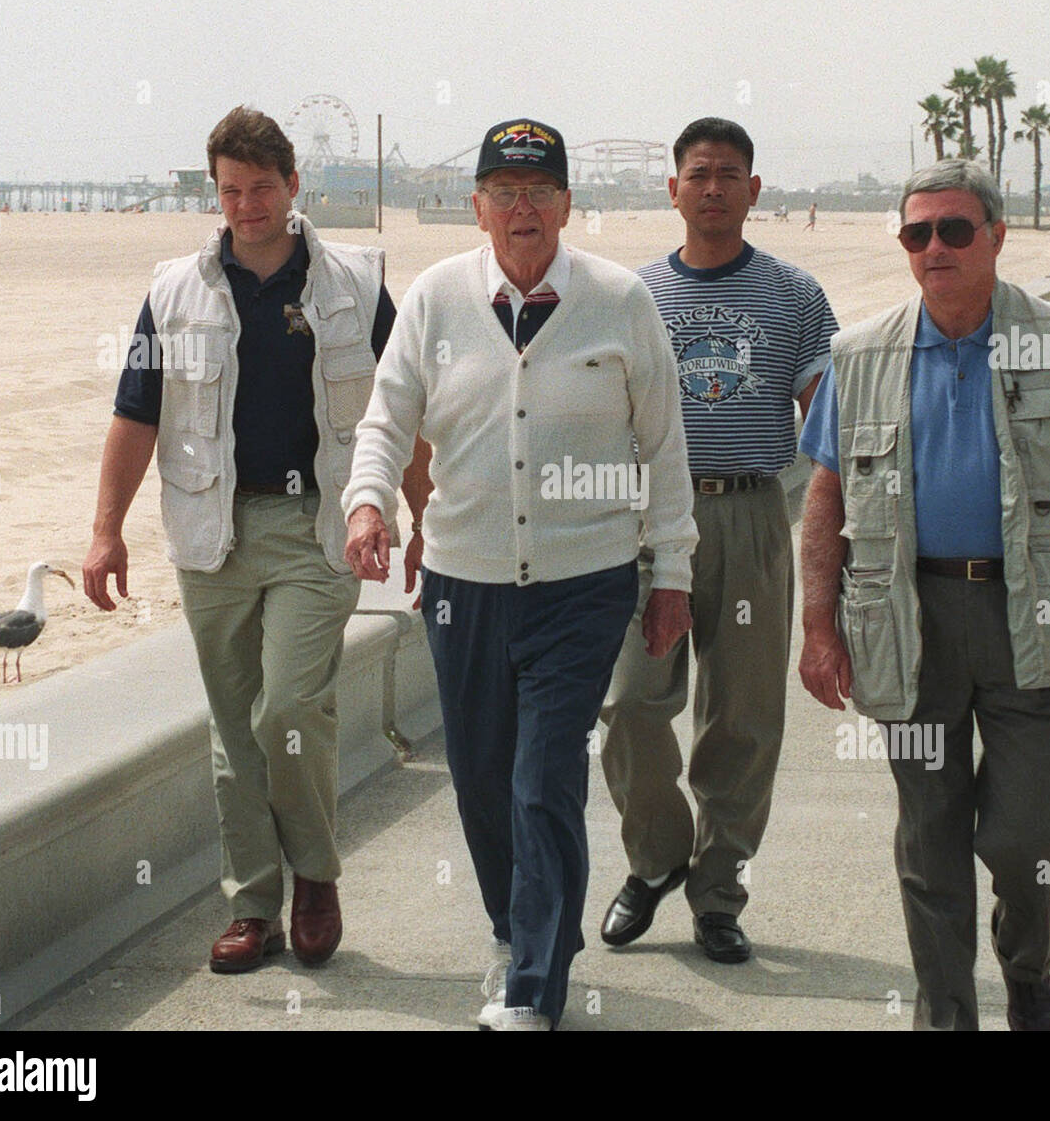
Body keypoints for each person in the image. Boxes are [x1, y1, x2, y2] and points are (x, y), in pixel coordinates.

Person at [342, 117, 697, 1031]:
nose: (522, 209)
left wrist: (673, 575)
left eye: (540, 192)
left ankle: (535, 985)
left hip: (587, 582)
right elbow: (384, 420)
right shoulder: (435, 299)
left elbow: (663, 449)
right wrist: (369, 503)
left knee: (546, 779)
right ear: (478, 208)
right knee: (481, 775)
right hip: (463, 586)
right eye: (504, 192)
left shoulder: (620, 303)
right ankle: (514, 931)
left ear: (568, 204)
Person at [83, 106, 429, 976]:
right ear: (218, 191)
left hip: (320, 526)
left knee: (287, 710)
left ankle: (315, 879)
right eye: (231, 191)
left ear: (293, 186)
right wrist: (103, 532)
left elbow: (400, 413)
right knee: (234, 726)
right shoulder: (174, 290)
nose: (247, 206)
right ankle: (253, 907)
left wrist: (424, 516)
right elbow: (136, 415)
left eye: (262, 189)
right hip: (211, 531)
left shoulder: (354, 280)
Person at [798, 158, 1050, 1031]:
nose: (935, 247)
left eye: (954, 229)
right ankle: (945, 1013)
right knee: (929, 839)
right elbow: (825, 496)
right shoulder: (860, 353)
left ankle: (1028, 971)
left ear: (996, 235)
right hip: (907, 623)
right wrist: (817, 625)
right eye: (918, 233)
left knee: (1024, 839)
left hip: (1038, 618)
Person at [597, 117, 837, 963]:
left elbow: (829, 417)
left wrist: (847, 532)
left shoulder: (795, 295)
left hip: (749, 516)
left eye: (728, 174)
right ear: (672, 188)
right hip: (648, 522)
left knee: (742, 715)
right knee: (629, 704)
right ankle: (657, 858)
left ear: (753, 190)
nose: (712, 188)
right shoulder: (630, 295)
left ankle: (719, 891)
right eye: (697, 174)